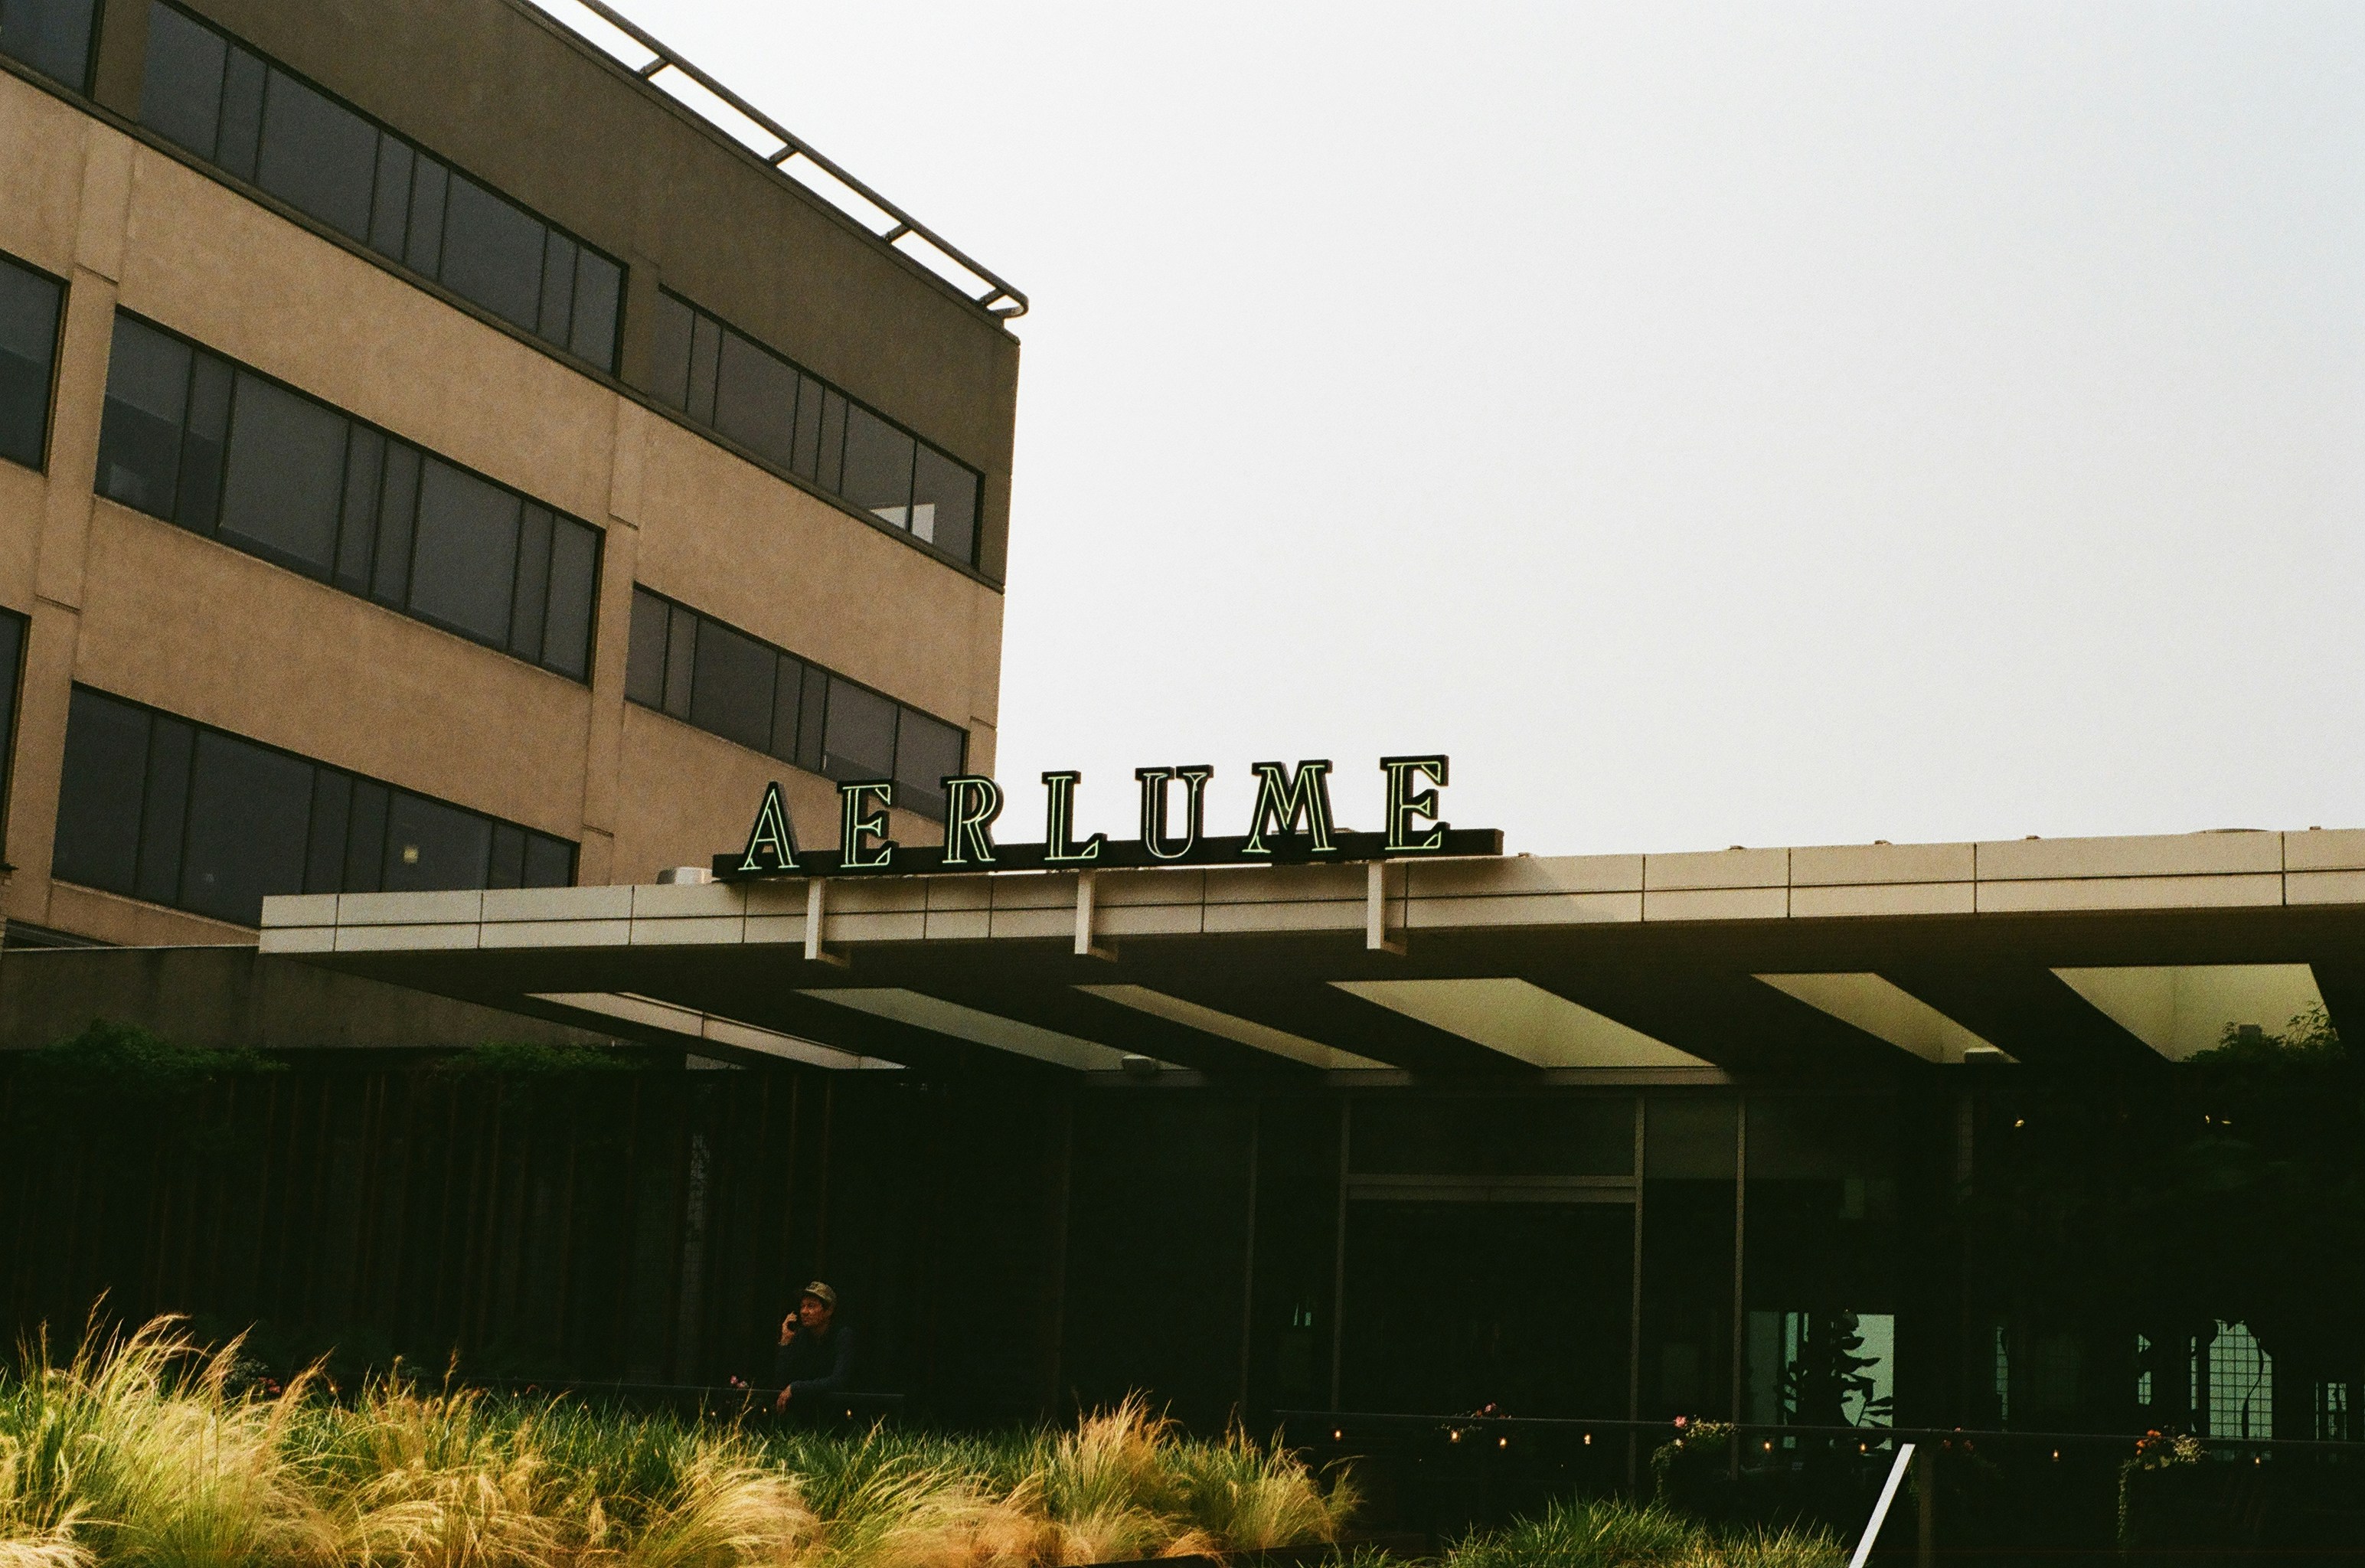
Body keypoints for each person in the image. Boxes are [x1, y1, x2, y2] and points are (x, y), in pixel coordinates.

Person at [773, 1280, 854, 1412]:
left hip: (837, 1412)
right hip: (807, 1413)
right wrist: (785, 1343)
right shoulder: (801, 1336)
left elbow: (839, 1380)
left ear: (829, 1311)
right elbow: (782, 1382)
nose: (804, 1312)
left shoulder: (842, 1335)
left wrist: (797, 1388)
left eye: (811, 1306)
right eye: (802, 1306)